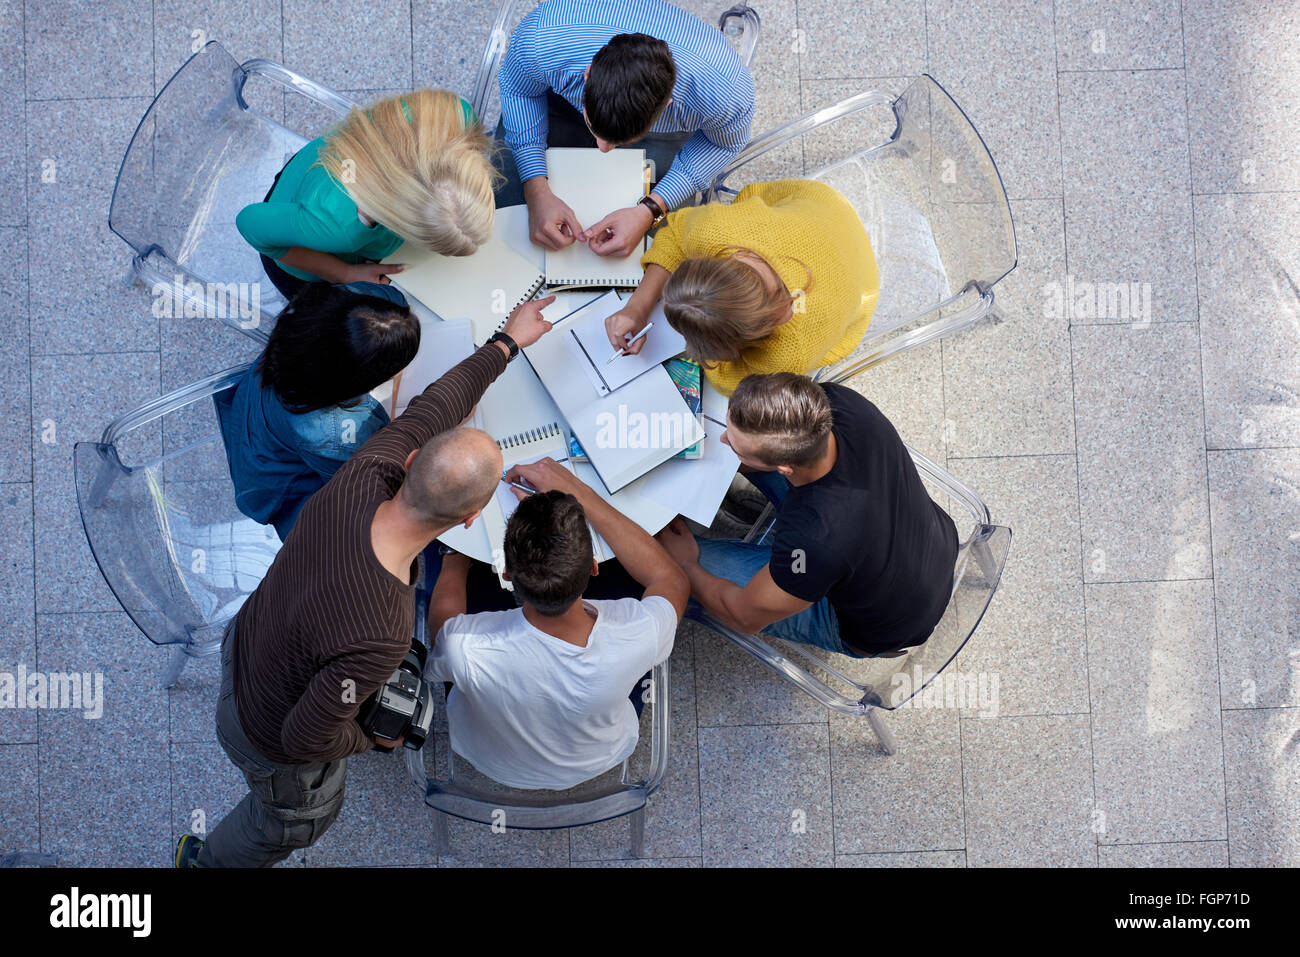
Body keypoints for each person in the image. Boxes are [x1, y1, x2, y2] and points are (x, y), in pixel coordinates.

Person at [173, 299, 555, 868]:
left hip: (245, 649)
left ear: (414, 456)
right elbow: (305, 738)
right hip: (265, 736)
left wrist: (506, 343)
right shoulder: (379, 632)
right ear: (472, 520)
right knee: (295, 824)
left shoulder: (365, 470)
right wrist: (372, 738)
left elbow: (432, 407)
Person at [425, 458, 688, 791]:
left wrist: (454, 555)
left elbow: (442, 627)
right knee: (631, 575)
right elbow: (670, 579)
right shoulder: (636, 633)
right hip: (600, 752)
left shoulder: (465, 647)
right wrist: (581, 494)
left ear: (505, 575)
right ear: (594, 567)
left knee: (449, 566)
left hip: (493, 758)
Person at [654, 372, 958, 658]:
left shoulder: (814, 539)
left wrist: (686, 565)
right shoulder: (840, 403)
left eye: (736, 446)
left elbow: (744, 615)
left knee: (661, 559)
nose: (723, 440)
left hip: (884, 624)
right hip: (930, 544)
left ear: (785, 468)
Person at [495, 0, 754, 259]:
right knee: (503, 210)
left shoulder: (726, 94)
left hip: (666, 135)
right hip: (558, 103)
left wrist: (651, 209)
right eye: (596, 130)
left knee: (664, 250)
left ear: (666, 106)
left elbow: (724, 143)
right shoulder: (540, 41)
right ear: (588, 75)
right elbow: (519, 91)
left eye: (619, 141)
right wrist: (535, 188)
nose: (603, 150)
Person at [603, 179, 880, 396]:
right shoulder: (719, 231)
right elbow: (675, 235)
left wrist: (701, 350)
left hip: (859, 282)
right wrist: (637, 307)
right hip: (822, 210)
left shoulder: (789, 351)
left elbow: (729, 383)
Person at [236, 88, 497, 300]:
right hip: (301, 246)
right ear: (399, 218)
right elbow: (249, 223)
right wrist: (344, 273)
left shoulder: (449, 117)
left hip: (321, 169)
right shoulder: (337, 225)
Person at [214, 281, 419, 541]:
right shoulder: (329, 432)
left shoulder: (332, 314)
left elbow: (391, 298)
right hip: (290, 483)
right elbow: (372, 481)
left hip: (258, 406)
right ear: (356, 383)